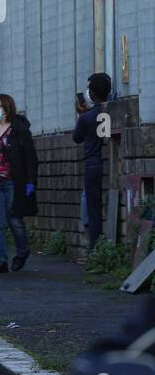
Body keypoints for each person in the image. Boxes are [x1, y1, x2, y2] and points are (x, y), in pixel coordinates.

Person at [0, 93, 38, 273]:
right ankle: (1, 259)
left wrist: (30, 181)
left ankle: (22, 251)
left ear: (7, 108)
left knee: (15, 219)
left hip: (13, 181)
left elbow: (30, 157)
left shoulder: (19, 129)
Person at [73, 73, 113, 252]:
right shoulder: (111, 111)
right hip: (108, 162)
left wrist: (81, 115)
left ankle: (94, 246)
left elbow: (77, 137)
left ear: (91, 93)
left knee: (93, 206)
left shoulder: (86, 117)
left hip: (92, 164)